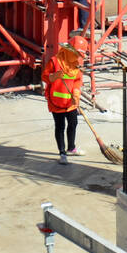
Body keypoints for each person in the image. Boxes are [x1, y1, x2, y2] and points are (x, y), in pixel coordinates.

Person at [42, 35, 84, 165]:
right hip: (56, 101)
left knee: (73, 124)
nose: (77, 56)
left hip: (70, 102)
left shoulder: (76, 65)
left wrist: (76, 92)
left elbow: (77, 80)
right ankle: (62, 153)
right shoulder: (54, 61)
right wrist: (54, 76)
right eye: (76, 53)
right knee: (60, 126)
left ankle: (71, 147)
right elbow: (45, 77)